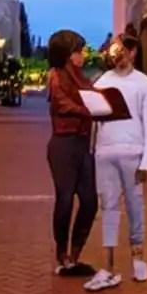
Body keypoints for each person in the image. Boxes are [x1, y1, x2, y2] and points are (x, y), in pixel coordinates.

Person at [83, 33, 147, 292]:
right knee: (109, 208)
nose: (119, 55)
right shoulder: (103, 81)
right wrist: (93, 149)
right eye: (115, 51)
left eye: (123, 51)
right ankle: (108, 266)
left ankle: (138, 256)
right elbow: (95, 116)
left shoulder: (144, 84)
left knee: (135, 205)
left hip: (133, 152)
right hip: (105, 152)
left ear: (133, 52)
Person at [45, 29, 98, 277]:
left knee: (89, 200)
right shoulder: (56, 77)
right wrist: (88, 110)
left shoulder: (81, 77)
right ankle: (62, 254)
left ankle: (75, 254)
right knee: (65, 199)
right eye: (79, 51)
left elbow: (92, 97)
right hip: (63, 144)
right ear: (68, 54)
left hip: (82, 143)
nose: (83, 55)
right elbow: (62, 104)